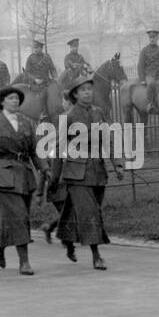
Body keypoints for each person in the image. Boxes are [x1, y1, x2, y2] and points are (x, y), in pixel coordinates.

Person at [48, 74, 123, 270]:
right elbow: (59, 148)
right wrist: (55, 178)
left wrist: (117, 164)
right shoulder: (68, 117)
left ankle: (67, 240)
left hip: (98, 171)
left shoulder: (99, 113)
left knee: (80, 211)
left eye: (90, 88)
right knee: (91, 214)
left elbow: (108, 140)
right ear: (74, 94)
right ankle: (96, 255)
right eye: (82, 90)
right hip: (76, 173)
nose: (87, 92)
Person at [0, 85, 46, 275]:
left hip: (24, 176)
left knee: (21, 218)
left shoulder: (26, 122)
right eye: (11, 98)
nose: (15, 101)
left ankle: (0, 246)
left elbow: (34, 150)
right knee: (18, 217)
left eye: (17, 98)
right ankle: (24, 261)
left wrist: (44, 168)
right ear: (2, 102)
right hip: (3, 176)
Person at [137, 29, 159, 113]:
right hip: (149, 74)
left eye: (154, 37)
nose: (152, 39)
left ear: (157, 38)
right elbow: (140, 65)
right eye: (150, 37)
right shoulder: (144, 50)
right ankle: (152, 104)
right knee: (151, 84)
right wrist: (142, 80)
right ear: (149, 38)